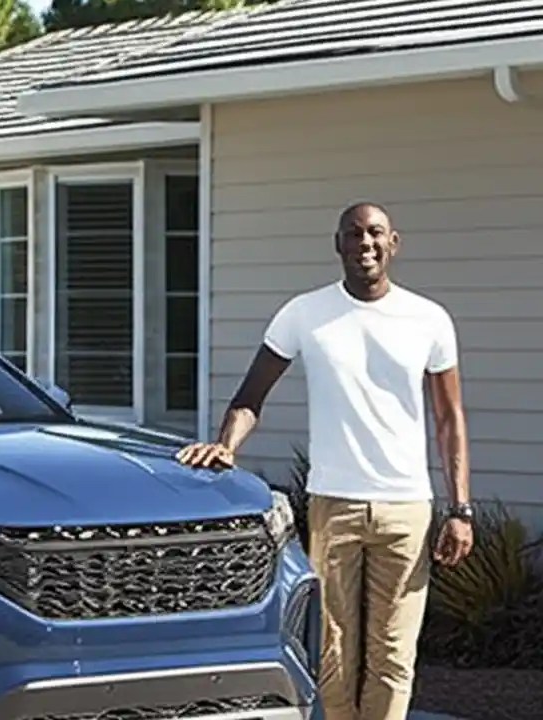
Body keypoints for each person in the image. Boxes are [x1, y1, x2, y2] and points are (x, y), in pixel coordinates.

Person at [176, 202, 473, 720]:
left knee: (393, 657)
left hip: (406, 508)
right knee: (331, 653)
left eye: (375, 233)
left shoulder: (429, 319)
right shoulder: (304, 314)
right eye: (354, 234)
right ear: (338, 244)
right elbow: (250, 398)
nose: (365, 243)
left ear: (394, 243)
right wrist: (227, 445)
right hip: (333, 507)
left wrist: (460, 509)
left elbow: (450, 420)